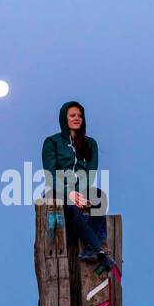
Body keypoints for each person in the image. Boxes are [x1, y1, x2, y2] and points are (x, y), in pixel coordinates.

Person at [41, 101, 116, 269]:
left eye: (80, 115)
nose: (77, 118)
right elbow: (49, 174)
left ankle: (89, 248)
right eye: (72, 115)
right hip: (57, 190)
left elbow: (91, 172)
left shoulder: (90, 143)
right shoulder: (52, 142)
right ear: (64, 118)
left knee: (99, 197)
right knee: (71, 207)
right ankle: (99, 249)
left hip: (82, 190)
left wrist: (80, 192)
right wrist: (69, 193)